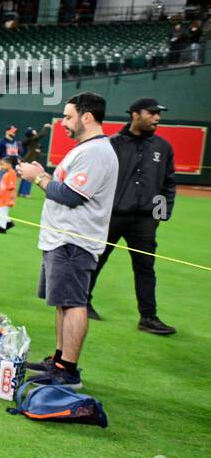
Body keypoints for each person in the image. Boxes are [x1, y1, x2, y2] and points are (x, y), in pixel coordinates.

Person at [17, 92, 118, 389]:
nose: (63, 122)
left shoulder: (96, 152)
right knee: (63, 303)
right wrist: (43, 177)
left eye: (68, 116)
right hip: (62, 238)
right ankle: (59, 361)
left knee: (73, 303)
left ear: (87, 117)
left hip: (75, 241)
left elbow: (70, 196)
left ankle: (68, 371)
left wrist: (37, 178)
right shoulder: (85, 149)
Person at [87, 97, 178, 335]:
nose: (157, 118)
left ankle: (148, 317)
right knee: (96, 260)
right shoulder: (111, 144)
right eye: (153, 113)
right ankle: (82, 303)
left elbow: (167, 184)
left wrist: (160, 215)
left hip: (145, 221)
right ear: (136, 114)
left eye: (159, 114)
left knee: (145, 268)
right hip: (112, 216)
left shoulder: (163, 147)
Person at [0, 123, 23, 199]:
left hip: (12, 167)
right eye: (12, 131)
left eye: (15, 131)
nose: (14, 133)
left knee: (11, 184)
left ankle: (7, 199)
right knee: (0, 183)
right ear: (7, 131)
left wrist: (19, 162)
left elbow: (17, 154)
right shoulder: (1, 141)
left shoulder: (15, 142)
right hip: (3, 166)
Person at [0, 156, 18, 233]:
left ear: (9, 164)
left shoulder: (12, 173)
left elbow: (12, 187)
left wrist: (11, 199)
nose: (1, 166)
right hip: (1, 197)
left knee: (3, 212)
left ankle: (2, 228)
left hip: (6, 197)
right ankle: (9, 222)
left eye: (3, 164)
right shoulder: (6, 173)